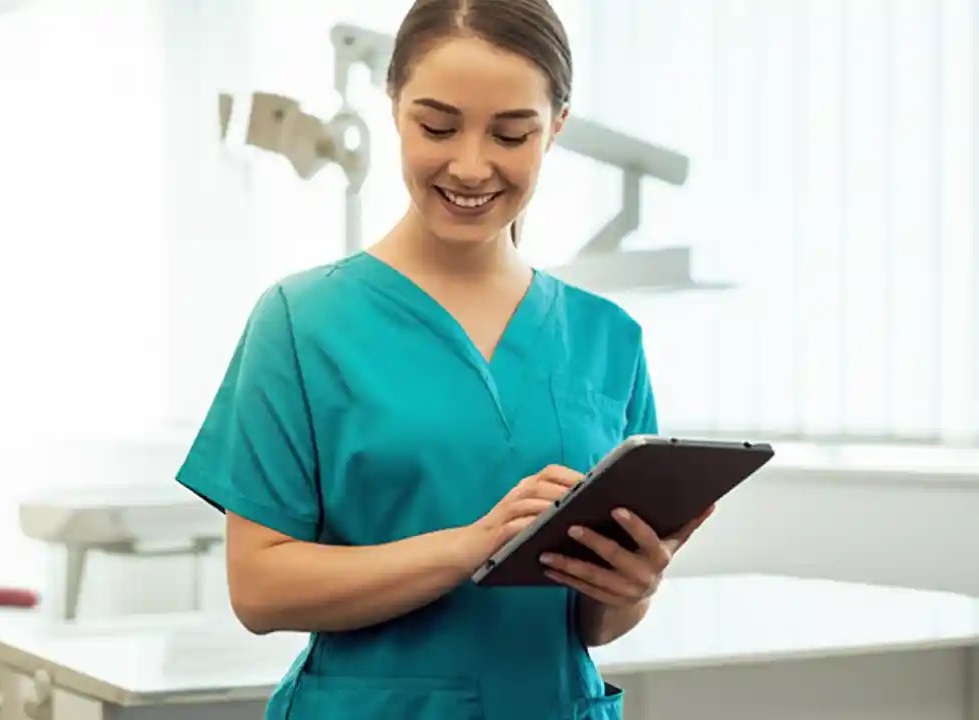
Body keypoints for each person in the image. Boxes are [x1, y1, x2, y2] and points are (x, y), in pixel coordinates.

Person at [175, 1, 713, 718]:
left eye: (512, 133)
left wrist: (633, 587)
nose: (470, 164)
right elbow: (260, 589)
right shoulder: (302, 324)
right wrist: (469, 549)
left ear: (555, 126)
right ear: (393, 106)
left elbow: (591, 625)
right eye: (437, 125)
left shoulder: (607, 338)